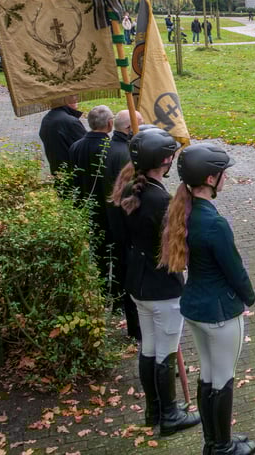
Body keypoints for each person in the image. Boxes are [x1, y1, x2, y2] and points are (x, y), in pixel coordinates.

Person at [160, 144, 255, 455]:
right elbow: (234, 269)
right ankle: (222, 446)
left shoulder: (183, 211)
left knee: (208, 376)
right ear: (212, 179)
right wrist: (250, 298)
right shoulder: (214, 223)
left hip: (194, 307)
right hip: (220, 310)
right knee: (223, 378)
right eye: (223, 174)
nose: (225, 179)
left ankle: (214, 441)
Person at [111, 128, 200, 436]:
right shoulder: (160, 199)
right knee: (163, 351)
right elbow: (181, 243)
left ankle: (154, 410)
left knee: (149, 348)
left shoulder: (128, 188)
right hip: (162, 287)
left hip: (137, 281)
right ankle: (170, 415)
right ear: (164, 161)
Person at [104, 109, 144, 340]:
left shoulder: (110, 147)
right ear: (129, 128)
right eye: (139, 124)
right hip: (127, 230)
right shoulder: (126, 155)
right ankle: (136, 327)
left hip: (115, 225)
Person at [69, 105, 116, 294]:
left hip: (84, 204)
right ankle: (115, 293)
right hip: (107, 208)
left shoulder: (75, 146)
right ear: (110, 124)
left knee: (97, 250)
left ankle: (103, 288)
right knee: (112, 250)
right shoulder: (110, 148)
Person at [39, 95, 87, 177]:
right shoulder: (70, 122)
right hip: (74, 176)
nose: (76, 98)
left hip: (59, 174)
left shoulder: (47, 118)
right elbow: (87, 148)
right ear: (62, 99)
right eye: (71, 96)